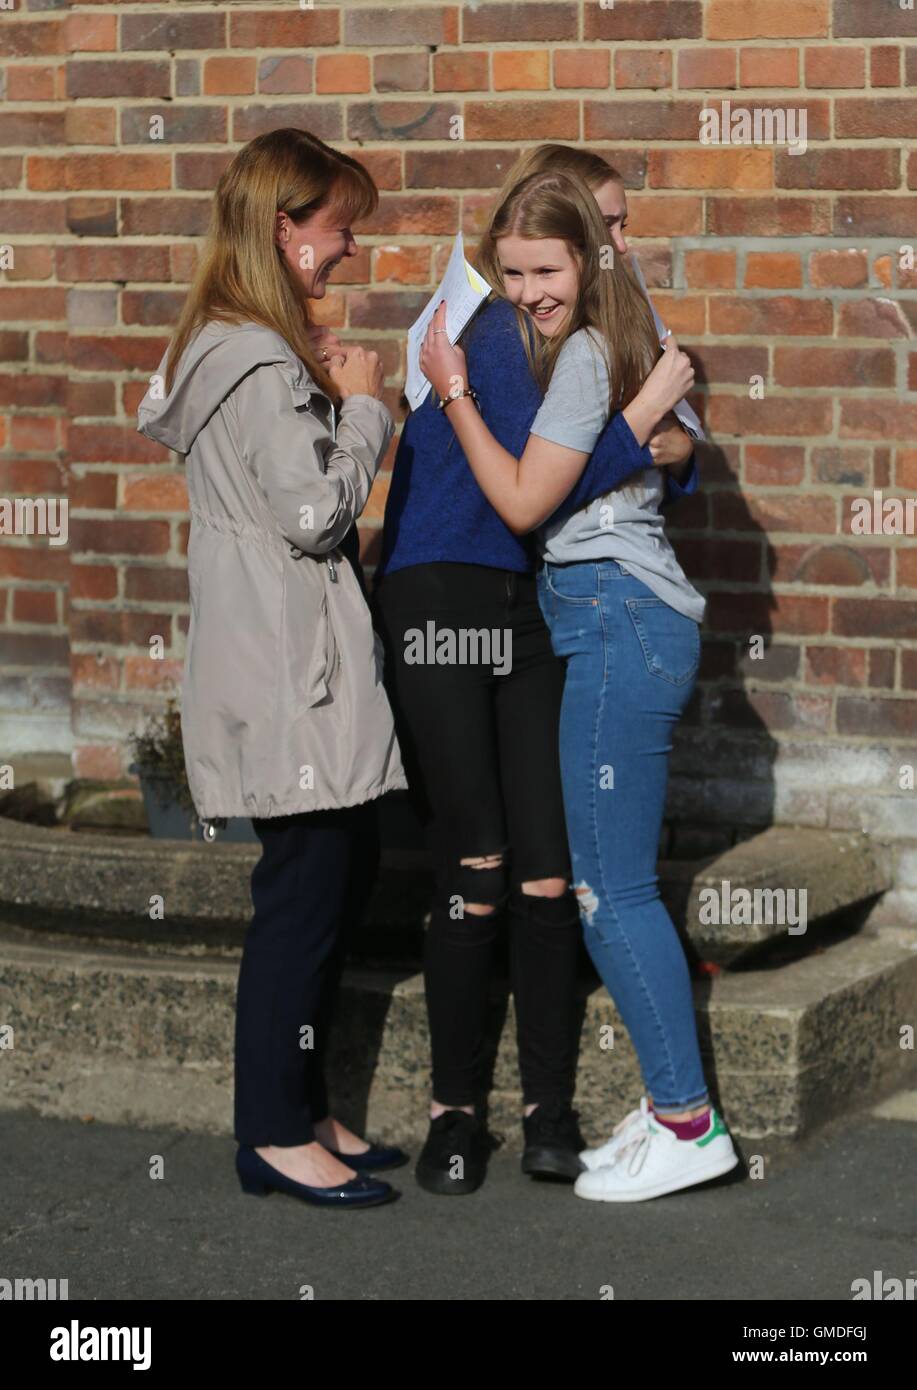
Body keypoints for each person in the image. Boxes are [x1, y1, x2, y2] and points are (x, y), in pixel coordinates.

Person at [373, 145, 698, 1195]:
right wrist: (645, 420)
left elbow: (666, 459)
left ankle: (549, 1110)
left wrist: (665, 429)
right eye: (606, 225)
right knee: (474, 864)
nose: (619, 247)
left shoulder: (589, 318)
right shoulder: (475, 327)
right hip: (443, 596)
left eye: (605, 235)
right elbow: (543, 483)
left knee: (549, 871)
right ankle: (453, 1113)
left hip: (535, 605)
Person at [136, 127, 408, 1210]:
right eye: (338, 229)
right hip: (292, 663)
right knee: (303, 896)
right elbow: (310, 515)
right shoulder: (252, 360)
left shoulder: (235, 346)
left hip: (284, 651)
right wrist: (370, 412)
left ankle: (302, 1110)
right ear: (286, 230)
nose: (348, 251)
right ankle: (271, 1134)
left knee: (332, 878)